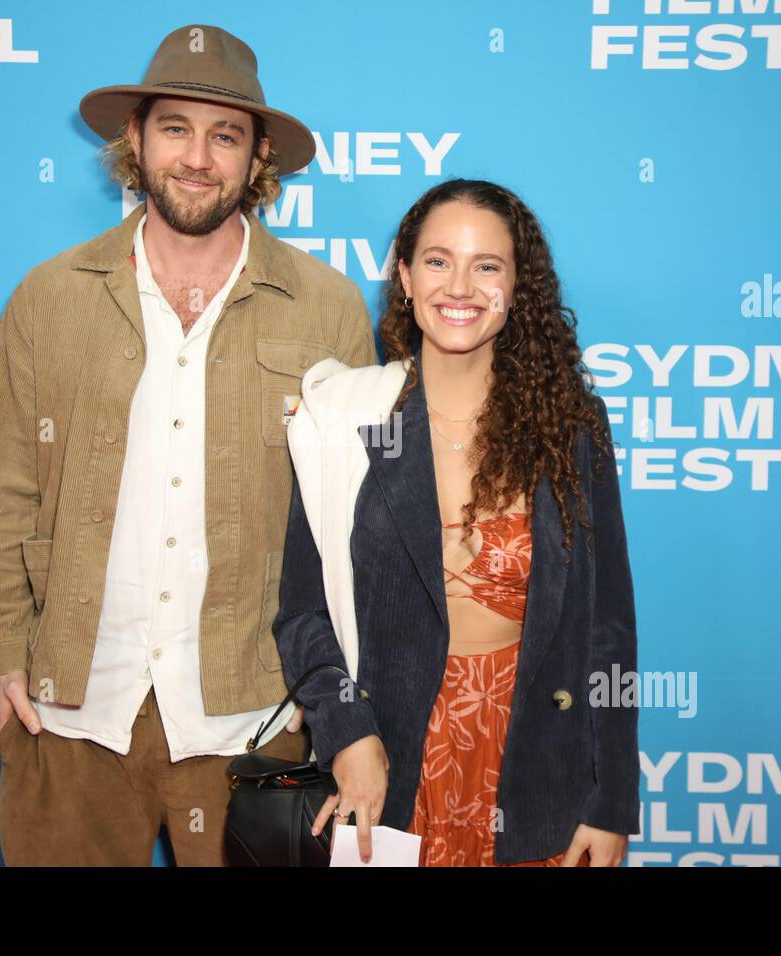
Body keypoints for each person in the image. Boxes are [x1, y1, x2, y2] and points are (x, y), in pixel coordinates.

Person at [0, 24, 377, 866]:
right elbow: (4, 487)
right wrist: (1, 655)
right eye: (175, 128)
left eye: (225, 135)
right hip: (70, 714)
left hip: (252, 717)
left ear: (259, 160)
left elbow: (354, 527)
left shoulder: (324, 307)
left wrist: (338, 701)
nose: (198, 156)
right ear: (136, 142)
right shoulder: (50, 298)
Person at [273, 178, 640, 866]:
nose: (460, 286)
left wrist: (609, 797)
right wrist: (348, 731)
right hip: (387, 764)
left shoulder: (571, 428)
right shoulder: (349, 421)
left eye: (487, 266)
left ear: (517, 287)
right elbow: (302, 611)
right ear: (405, 277)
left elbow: (607, 628)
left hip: (536, 765)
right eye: (438, 261)